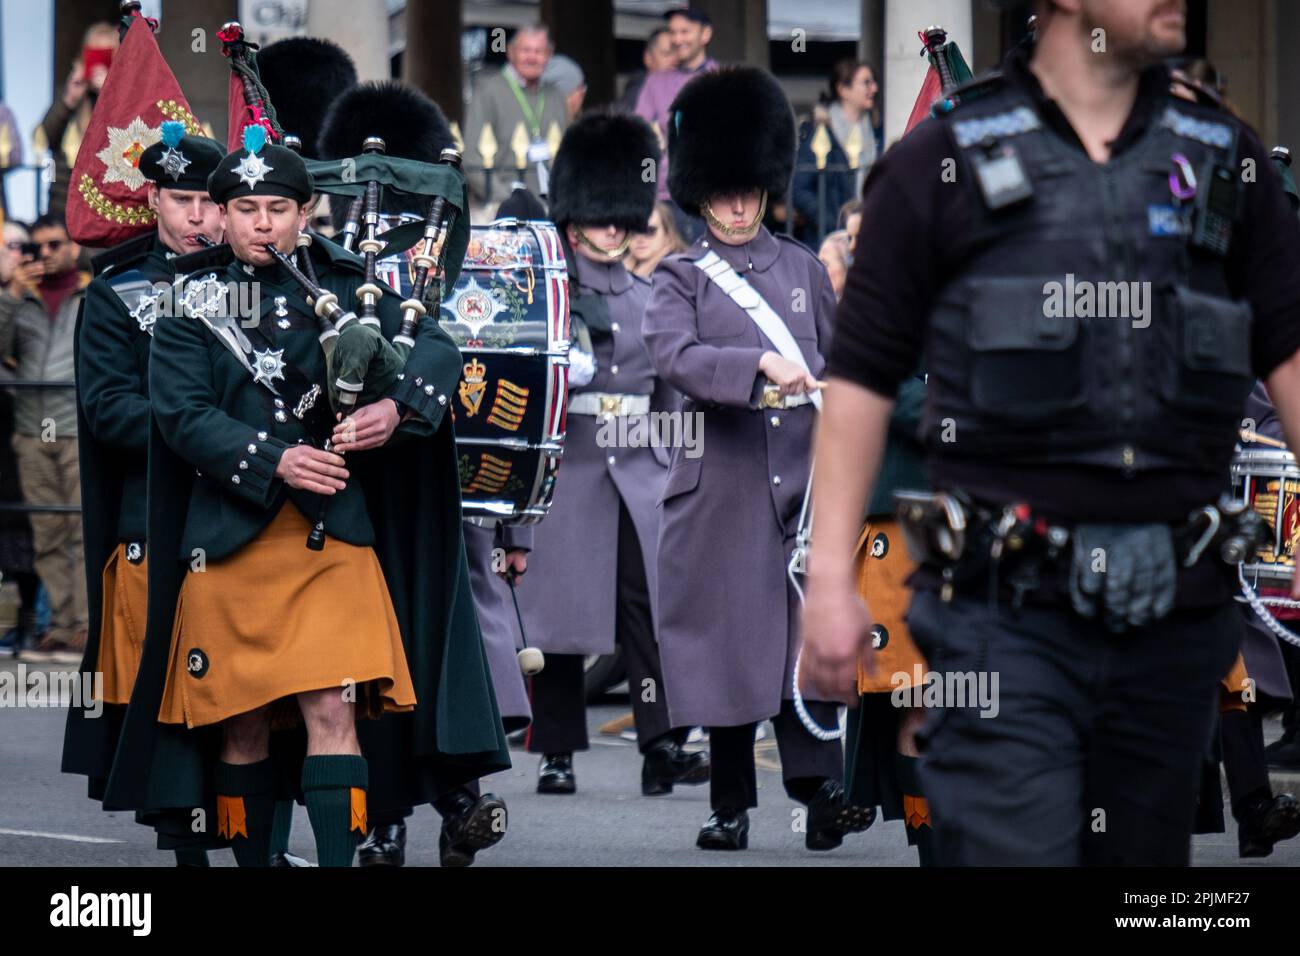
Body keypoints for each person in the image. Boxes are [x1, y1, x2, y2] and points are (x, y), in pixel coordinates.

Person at [802, 0, 1300, 866]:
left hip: (1175, 619)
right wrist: (828, 581)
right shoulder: (939, 165)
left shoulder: (1227, 162)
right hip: (1003, 619)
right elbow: (861, 383)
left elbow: (1290, 357)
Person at [102, 127, 509, 867]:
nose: (263, 223)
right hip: (229, 534)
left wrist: (401, 410)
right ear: (221, 216)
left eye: (279, 207)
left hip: (333, 534)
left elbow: (438, 349)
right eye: (247, 207)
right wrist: (277, 460)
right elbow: (182, 413)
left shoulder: (349, 282)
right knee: (243, 723)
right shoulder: (189, 300)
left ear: (305, 210)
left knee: (333, 706)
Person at [643, 65, 874, 852]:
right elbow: (672, 354)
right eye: (724, 191)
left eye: (750, 189)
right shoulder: (679, 276)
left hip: (804, 486)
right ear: (701, 192)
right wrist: (755, 369)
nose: (739, 204)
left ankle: (820, 797)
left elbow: (844, 368)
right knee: (734, 649)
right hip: (725, 487)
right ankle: (729, 805)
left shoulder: (807, 270)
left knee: (805, 648)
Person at [316, 79, 516, 868]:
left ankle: (456, 798)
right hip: (339, 476)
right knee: (362, 651)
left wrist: (400, 406)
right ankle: (383, 816)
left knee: (430, 637)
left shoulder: (432, 254)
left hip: (417, 475)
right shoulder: (316, 249)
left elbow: (442, 343)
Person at [513, 109, 708, 799]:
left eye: (621, 220)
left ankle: (661, 742)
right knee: (561, 619)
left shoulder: (652, 293)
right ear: (574, 220)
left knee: (645, 610)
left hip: (638, 464)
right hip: (572, 466)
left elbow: (672, 390)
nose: (613, 231)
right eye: (601, 220)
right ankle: (557, 750)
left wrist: (678, 464)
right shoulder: (550, 295)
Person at [60, 123, 225, 866]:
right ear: (153, 199)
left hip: (245, 513)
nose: (199, 217)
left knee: (264, 697)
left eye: (210, 202)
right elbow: (109, 413)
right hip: (156, 516)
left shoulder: (259, 287)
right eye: (183, 200)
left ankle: (266, 842)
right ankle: (185, 851)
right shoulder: (118, 293)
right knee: (167, 701)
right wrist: (207, 430)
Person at [0, 212, 88, 663]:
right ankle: (58, 624)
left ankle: (84, 629)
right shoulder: (21, 296)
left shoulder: (91, 293)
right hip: (31, 430)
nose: (45, 255)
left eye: (55, 245)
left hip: (75, 427)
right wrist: (12, 295)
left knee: (80, 528)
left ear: (73, 248)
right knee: (46, 531)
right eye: (37, 248)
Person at [462, 24, 570, 209]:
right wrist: (506, 199)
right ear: (510, 52)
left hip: (551, 205)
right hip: (500, 205)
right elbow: (472, 157)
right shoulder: (488, 90)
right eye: (526, 50)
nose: (532, 57)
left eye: (539, 51)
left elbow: (568, 154)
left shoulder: (556, 96)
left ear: (549, 54)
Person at [635, 7, 719, 241]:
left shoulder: (722, 78)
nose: (678, 39)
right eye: (673, 32)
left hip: (711, 198)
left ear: (705, 35)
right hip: (665, 199)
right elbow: (641, 140)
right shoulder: (655, 82)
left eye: (685, 31)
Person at [0, 222, 38, 659]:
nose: (24, 255)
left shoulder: (40, 294)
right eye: (13, 247)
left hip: (25, 425)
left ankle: (28, 625)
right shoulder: (12, 297)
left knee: (26, 535)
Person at [35, 22, 119, 218]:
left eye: (105, 55)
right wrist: (68, 99)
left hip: (104, 208)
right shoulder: (72, 99)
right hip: (63, 204)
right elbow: (44, 138)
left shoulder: (123, 98)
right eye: (92, 54)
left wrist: (109, 93)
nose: (98, 62)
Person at [792, 60, 879, 247]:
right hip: (825, 242)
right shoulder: (819, 131)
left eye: (873, 82)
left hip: (863, 238)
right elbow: (800, 190)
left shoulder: (875, 130)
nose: (874, 88)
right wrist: (833, 223)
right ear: (843, 90)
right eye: (866, 82)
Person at [618, 27, 678, 113]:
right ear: (648, 58)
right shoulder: (638, 92)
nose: (674, 59)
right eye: (667, 53)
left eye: (678, 54)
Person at [625, 201, 686, 279]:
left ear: (667, 234)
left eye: (649, 231)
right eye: (633, 231)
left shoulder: (680, 268)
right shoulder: (620, 266)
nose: (640, 239)